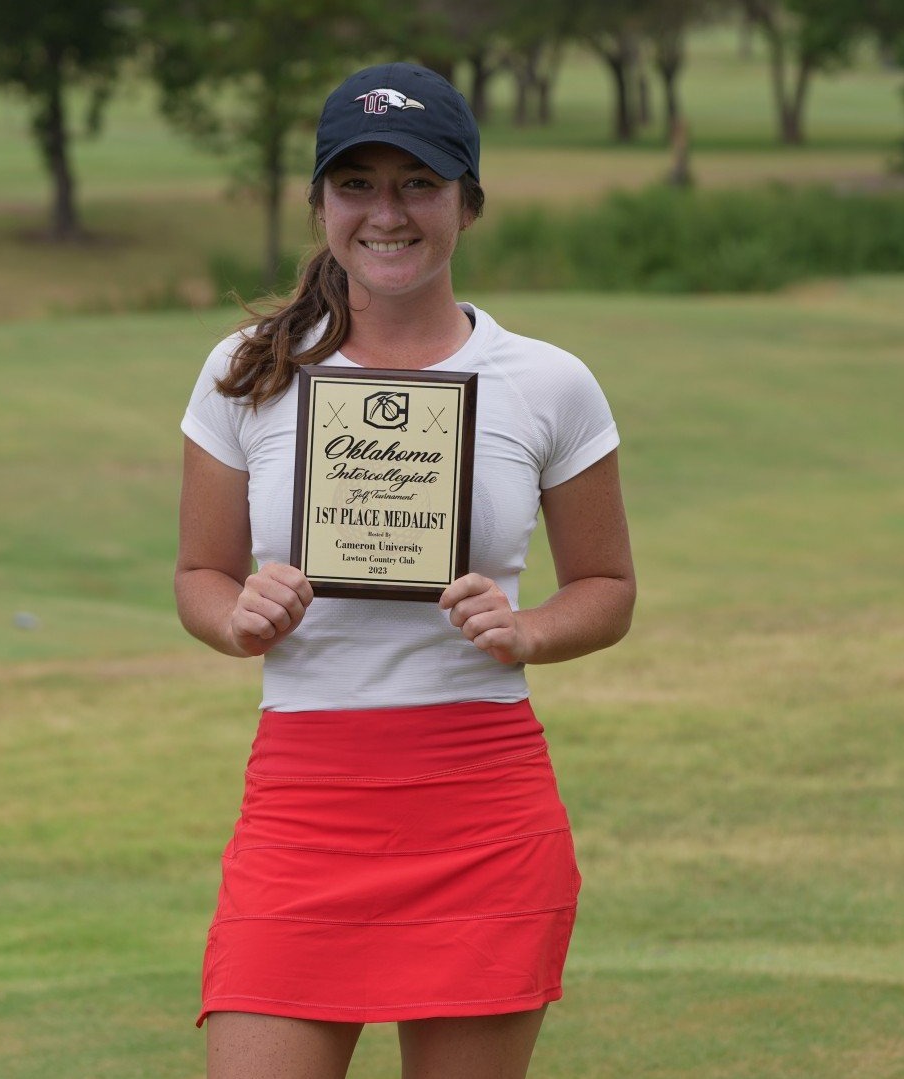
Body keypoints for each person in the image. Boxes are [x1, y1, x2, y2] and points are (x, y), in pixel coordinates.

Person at [175, 62, 635, 1079]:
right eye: (357, 185)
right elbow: (199, 573)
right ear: (320, 204)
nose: (387, 213)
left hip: (477, 795)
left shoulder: (547, 381)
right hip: (304, 795)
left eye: (418, 183)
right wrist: (237, 616)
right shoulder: (248, 368)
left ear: (466, 201)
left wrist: (530, 629)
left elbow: (606, 587)